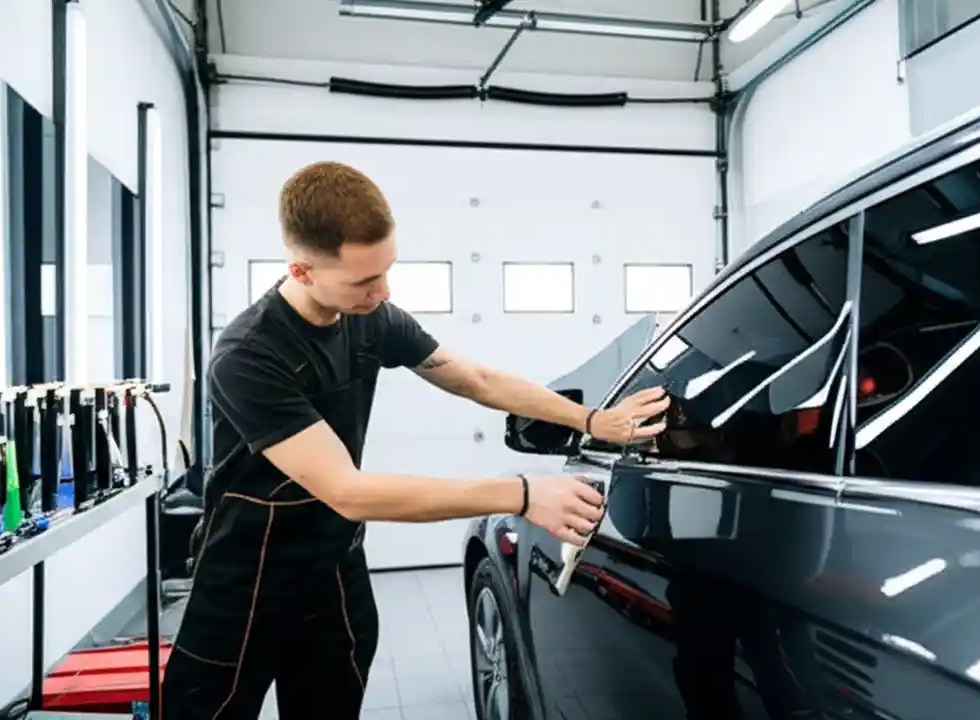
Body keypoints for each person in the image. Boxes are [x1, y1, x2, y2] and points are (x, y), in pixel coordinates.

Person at [160, 160, 670, 719]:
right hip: (245, 577)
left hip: (335, 565)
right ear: (302, 271)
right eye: (363, 280)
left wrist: (591, 419)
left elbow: (476, 379)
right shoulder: (249, 356)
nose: (382, 292)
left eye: (386, 271)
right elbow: (349, 491)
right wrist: (522, 495)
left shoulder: (371, 317)